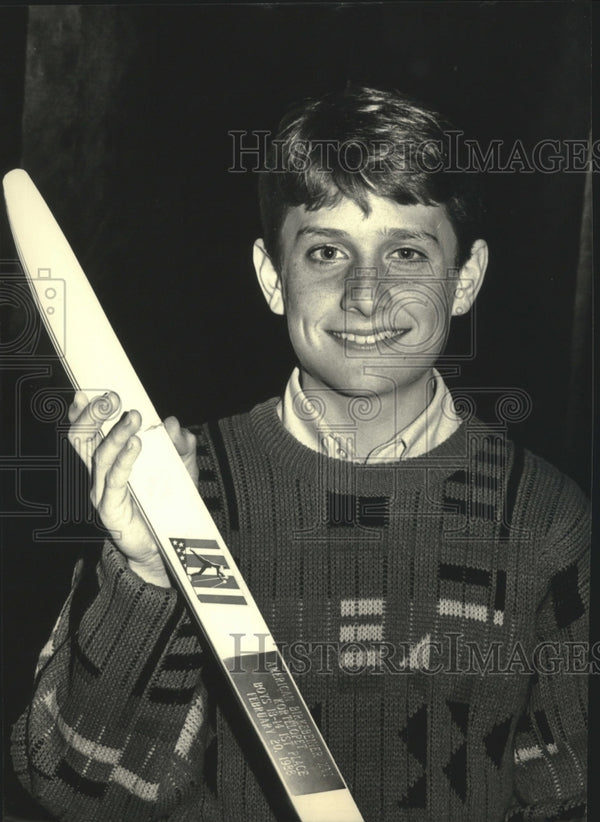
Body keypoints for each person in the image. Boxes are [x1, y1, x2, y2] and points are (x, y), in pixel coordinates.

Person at [11, 86, 589, 821]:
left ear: (465, 279)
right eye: (326, 252)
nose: (366, 295)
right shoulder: (188, 491)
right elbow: (70, 784)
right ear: (271, 276)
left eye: (407, 252)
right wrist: (147, 575)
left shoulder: (545, 520)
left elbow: (568, 792)